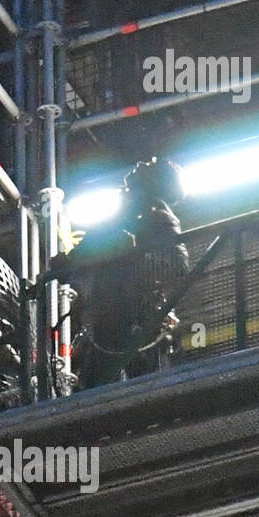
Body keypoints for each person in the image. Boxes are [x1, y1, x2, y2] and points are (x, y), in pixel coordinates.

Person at [49, 157, 191, 387]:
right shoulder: (134, 212)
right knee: (135, 385)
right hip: (119, 319)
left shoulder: (150, 212)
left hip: (129, 319)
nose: (141, 164)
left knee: (111, 388)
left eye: (150, 165)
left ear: (154, 180)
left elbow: (177, 265)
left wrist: (69, 264)